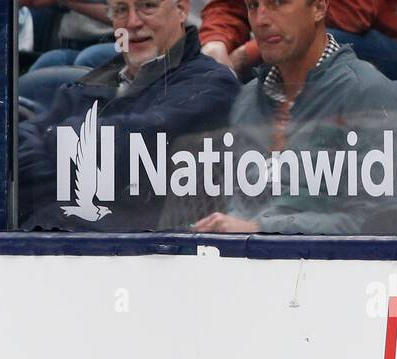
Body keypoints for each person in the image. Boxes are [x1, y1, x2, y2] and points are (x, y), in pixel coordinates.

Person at [193, 0, 397, 235]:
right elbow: (237, 208)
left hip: (322, 258)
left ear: (319, 7)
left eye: (279, 2)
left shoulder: (369, 94)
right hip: (237, 253)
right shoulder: (247, 99)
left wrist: (261, 229)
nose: (261, 20)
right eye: (253, 5)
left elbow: (382, 220)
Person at [18, 0, 239, 230]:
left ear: (182, 9)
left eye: (148, 6)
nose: (132, 22)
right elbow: (19, 152)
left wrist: (55, 144)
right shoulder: (94, 81)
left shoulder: (212, 84)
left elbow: (134, 151)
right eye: (121, 9)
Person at [199, 0, 397, 81]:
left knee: (310, 45)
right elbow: (231, 5)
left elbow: (343, 16)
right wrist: (216, 43)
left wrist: (247, 53)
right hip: (350, 41)